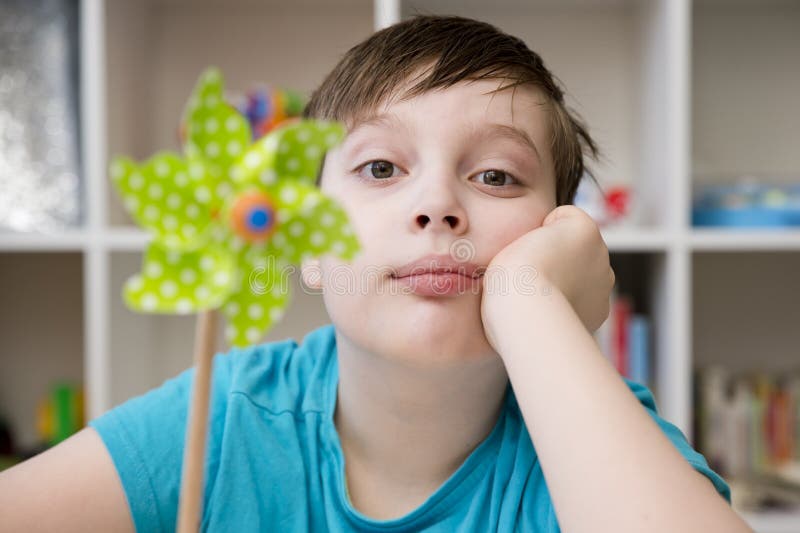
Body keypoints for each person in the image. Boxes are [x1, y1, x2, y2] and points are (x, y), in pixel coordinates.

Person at [0, 15, 753, 533]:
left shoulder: (593, 432)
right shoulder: (227, 417)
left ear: (563, 234)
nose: (437, 206)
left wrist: (535, 310)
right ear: (309, 241)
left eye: (495, 175)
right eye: (382, 166)